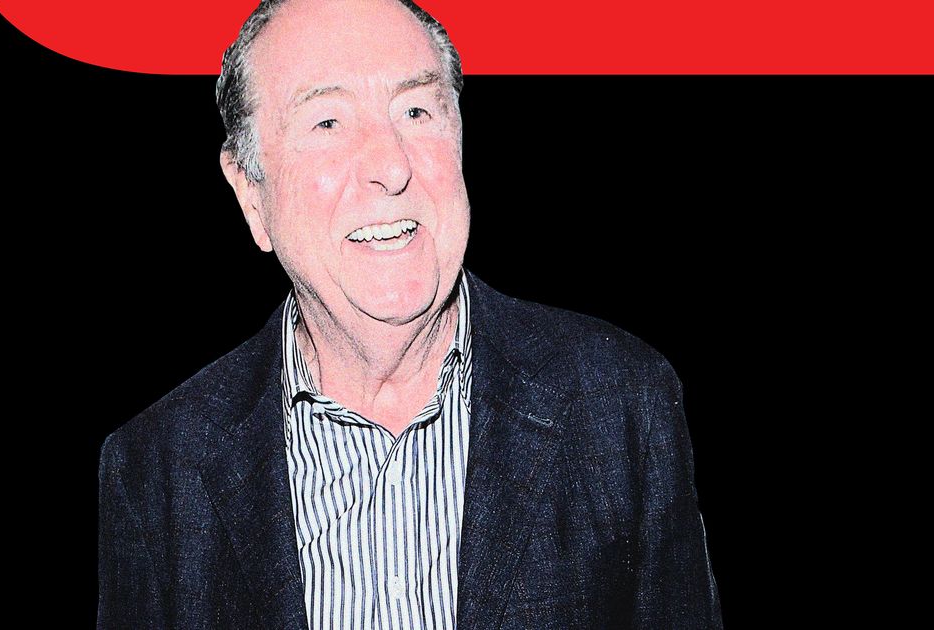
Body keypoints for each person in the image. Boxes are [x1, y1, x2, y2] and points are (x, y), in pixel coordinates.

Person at [96, 0, 723, 628]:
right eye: (328, 122)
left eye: (416, 111)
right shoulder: (156, 471)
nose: (392, 167)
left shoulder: (621, 404)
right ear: (250, 195)